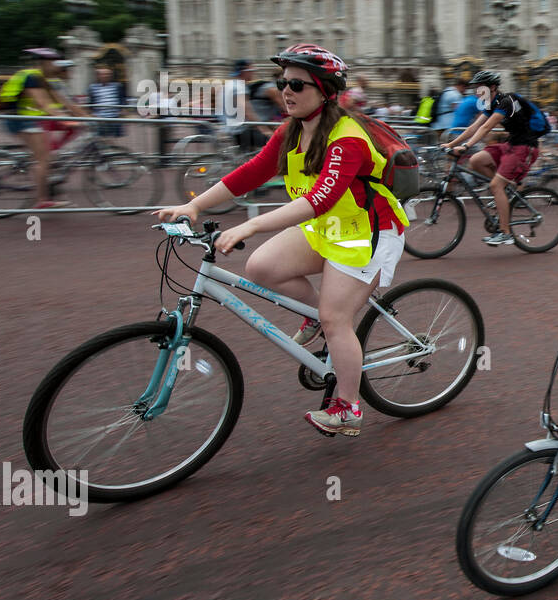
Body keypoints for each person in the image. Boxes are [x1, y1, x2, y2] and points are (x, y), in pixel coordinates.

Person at [154, 43, 410, 438]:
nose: (286, 91)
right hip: (328, 227)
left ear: (325, 90)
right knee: (261, 266)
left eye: (297, 84)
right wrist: (196, 207)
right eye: (282, 82)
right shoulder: (291, 130)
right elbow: (252, 172)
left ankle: (348, 407)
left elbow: (320, 199)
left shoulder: (348, 137)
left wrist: (251, 226)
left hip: (368, 232)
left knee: (336, 318)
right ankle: (316, 318)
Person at [442, 70, 544, 246]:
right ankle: (504, 189)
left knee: (495, 185)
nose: (476, 92)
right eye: (475, 88)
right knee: (476, 160)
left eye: (480, 88)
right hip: (511, 144)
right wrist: (451, 144)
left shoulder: (506, 102)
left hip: (525, 147)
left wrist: (465, 146)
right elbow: (474, 127)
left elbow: (486, 128)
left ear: (492, 87)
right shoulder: (492, 103)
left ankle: (506, 233)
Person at [0, 48, 88, 208]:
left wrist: (90, 118)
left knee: (45, 157)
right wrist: (68, 121)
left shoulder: (43, 79)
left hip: (29, 119)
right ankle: (42, 200)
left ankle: (46, 193)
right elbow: (44, 104)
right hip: (21, 119)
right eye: (54, 62)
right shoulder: (33, 77)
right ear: (45, 63)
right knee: (43, 159)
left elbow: (66, 103)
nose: (58, 66)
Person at [87, 65, 128, 139]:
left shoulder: (117, 86)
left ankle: (113, 149)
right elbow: (90, 101)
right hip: (100, 117)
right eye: (103, 74)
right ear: (98, 76)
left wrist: (123, 110)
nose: (105, 76)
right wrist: (91, 113)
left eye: (108, 74)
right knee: (101, 137)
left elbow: (122, 98)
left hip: (114, 116)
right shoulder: (92, 87)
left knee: (115, 137)